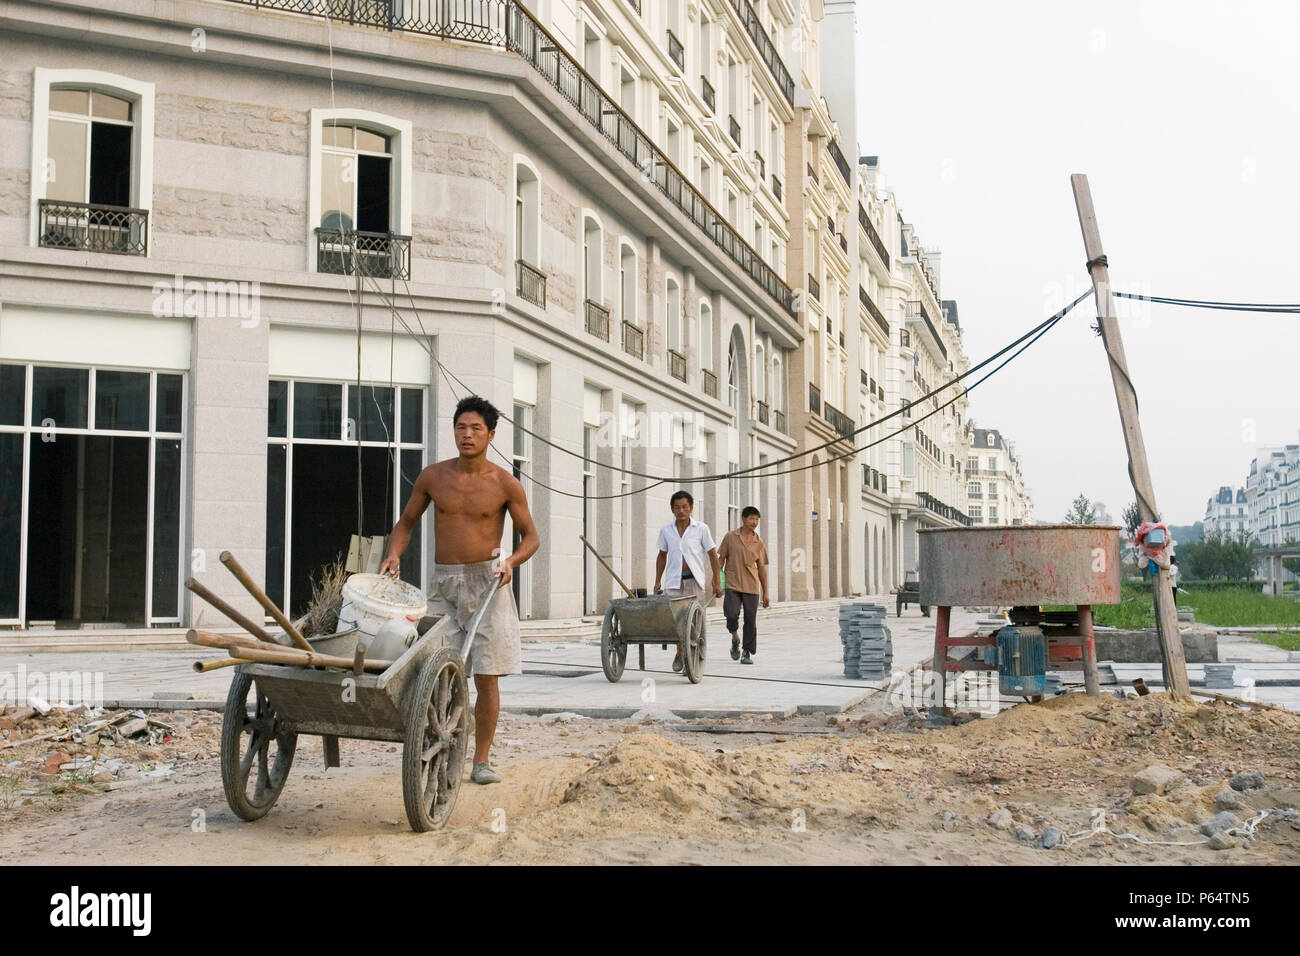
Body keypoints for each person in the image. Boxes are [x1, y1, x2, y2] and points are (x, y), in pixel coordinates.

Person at [379, 395, 539, 785]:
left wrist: (511, 562)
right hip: (444, 584)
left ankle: (480, 760)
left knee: (486, 676)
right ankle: (440, 743)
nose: (467, 435)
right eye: (461, 428)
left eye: (476, 429)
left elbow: (531, 537)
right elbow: (407, 521)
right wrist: (394, 553)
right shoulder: (434, 476)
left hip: (490, 583)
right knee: (438, 673)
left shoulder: (505, 483)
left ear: (491, 435)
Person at [652, 490, 722, 673]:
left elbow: (713, 556)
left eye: (684, 507)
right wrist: (657, 581)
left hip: (694, 582)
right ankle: (680, 652)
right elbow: (661, 556)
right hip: (673, 583)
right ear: (672, 510)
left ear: (691, 508)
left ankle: (692, 658)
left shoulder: (701, 529)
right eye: (677, 507)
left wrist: (717, 581)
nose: (681, 510)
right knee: (675, 622)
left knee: (694, 623)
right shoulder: (666, 530)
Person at [716, 506, 770, 664]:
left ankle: (746, 652)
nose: (754, 522)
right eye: (752, 518)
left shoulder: (759, 542)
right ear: (744, 519)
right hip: (732, 584)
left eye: (757, 519)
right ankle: (735, 638)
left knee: (750, 620)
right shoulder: (730, 537)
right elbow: (720, 560)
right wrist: (716, 581)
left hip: (752, 587)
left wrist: (766, 592)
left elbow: (761, 569)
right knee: (731, 615)